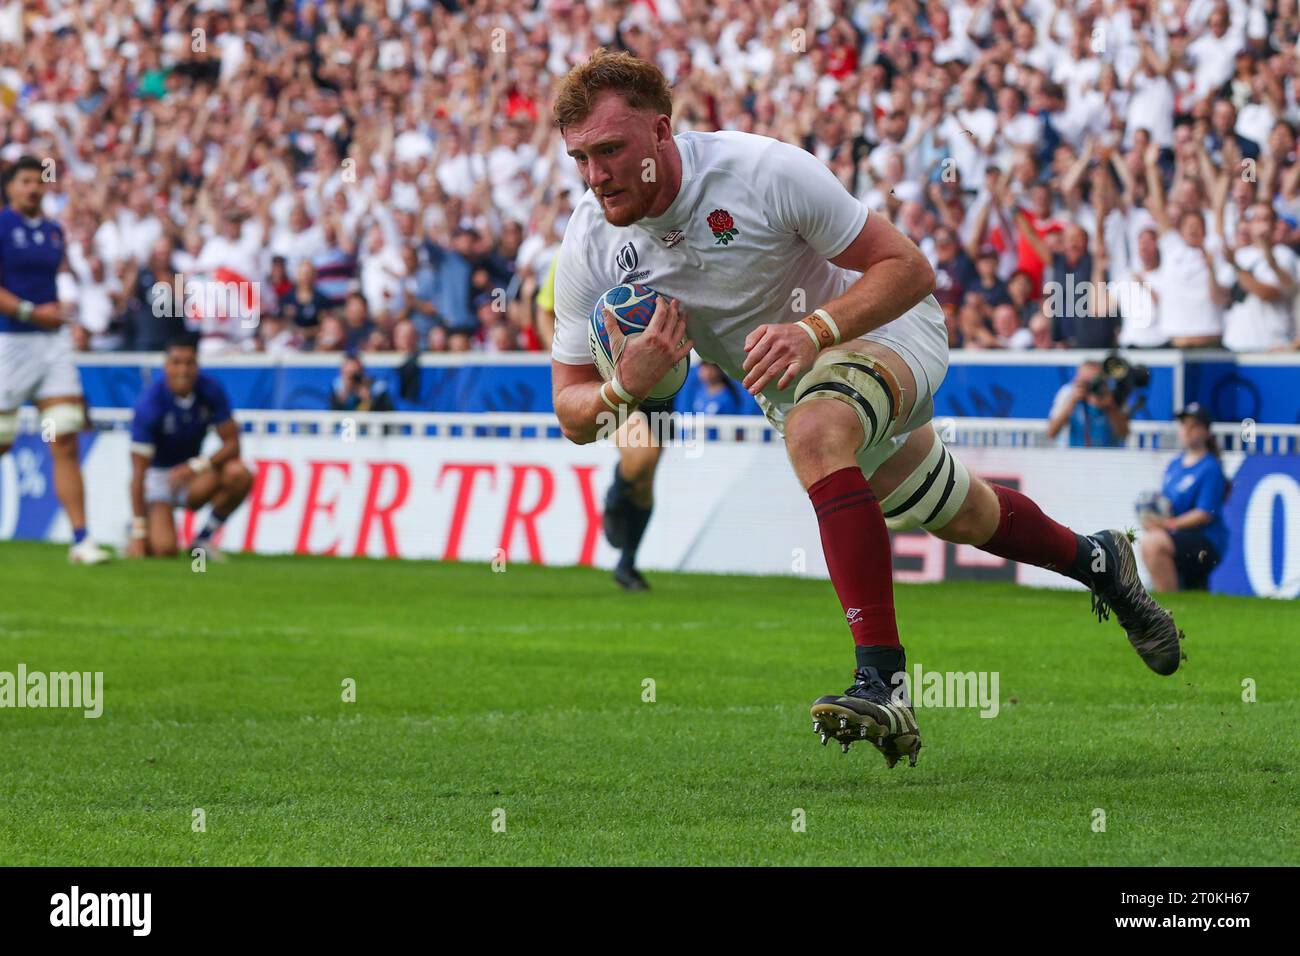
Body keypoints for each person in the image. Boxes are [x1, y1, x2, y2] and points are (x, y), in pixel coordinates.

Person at [549, 50, 1185, 770]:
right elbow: (574, 414)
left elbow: (909, 267)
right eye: (580, 157)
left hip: (879, 328)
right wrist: (621, 388)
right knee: (962, 513)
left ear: (661, 132)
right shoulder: (590, 240)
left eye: (610, 150)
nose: (595, 174)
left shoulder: (762, 172)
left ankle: (881, 680)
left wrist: (815, 329)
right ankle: (1100, 560)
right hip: (790, 380)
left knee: (817, 430)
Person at [0, 156, 111, 564]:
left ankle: (81, 540)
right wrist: (30, 311)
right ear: (10, 188)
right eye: (25, 181)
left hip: (53, 344)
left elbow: (60, 277)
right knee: (3, 440)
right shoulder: (2, 227)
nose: (33, 188)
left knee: (62, 435)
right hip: (11, 341)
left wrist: (62, 308)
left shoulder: (52, 232)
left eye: (38, 181)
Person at [127, 335, 253, 560]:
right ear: (166, 366)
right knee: (164, 551)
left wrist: (196, 466)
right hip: (159, 477)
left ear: (197, 365)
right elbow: (138, 474)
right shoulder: (149, 404)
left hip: (193, 472)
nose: (183, 370)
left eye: (189, 363)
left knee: (239, 474)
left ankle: (202, 540)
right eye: (176, 363)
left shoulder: (210, 389)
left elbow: (233, 443)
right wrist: (139, 531)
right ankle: (136, 529)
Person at [1139, 404, 1230, 591]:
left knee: (1153, 542)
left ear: (1205, 432)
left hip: (1205, 540)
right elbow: (1168, 504)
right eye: (1183, 424)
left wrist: (1168, 525)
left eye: (1194, 425)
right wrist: (1153, 518)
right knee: (1150, 538)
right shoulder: (1174, 465)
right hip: (1178, 536)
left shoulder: (1210, 467)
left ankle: (1167, 605)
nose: (1187, 430)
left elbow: (1204, 514)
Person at [1046, 360, 1132, 448]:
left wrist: (1110, 407)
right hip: (1072, 457)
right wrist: (1072, 401)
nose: (1089, 387)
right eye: (1085, 381)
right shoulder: (1067, 393)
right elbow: (1051, 433)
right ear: (1076, 380)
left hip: (1106, 458)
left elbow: (1124, 434)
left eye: (1094, 381)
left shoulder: (1113, 394)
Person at [330, 355, 394, 412]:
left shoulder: (376, 387)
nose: (352, 380)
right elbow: (333, 412)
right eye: (347, 373)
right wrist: (344, 394)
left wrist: (368, 399)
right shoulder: (337, 386)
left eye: (355, 374)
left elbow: (386, 413)